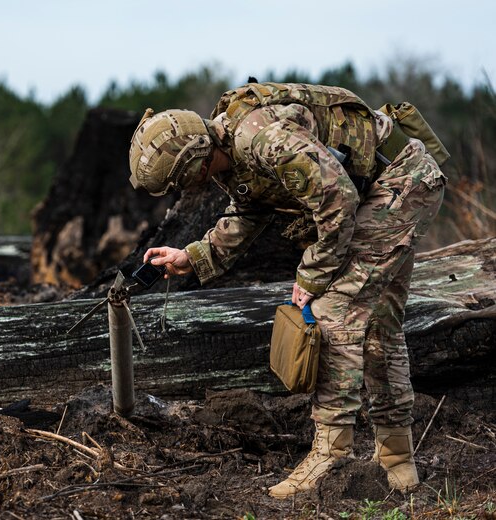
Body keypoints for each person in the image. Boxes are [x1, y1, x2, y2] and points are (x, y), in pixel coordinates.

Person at [128, 82, 446, 498]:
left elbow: (336, 198)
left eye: (181, 184)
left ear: (195, 166)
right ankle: (397, 459)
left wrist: (311, 277)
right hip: (383, 188)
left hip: (402, 182)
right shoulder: (229, 149)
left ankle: (331, 455)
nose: (186, 192)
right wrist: (194, 256)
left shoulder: (260, 137)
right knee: (380, 324)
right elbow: (250, 210)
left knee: (334, 313)